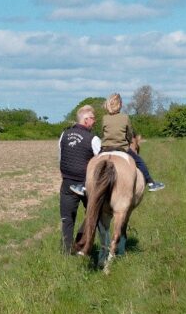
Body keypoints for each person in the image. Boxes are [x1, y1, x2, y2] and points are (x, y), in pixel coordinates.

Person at [70, 92, 164, 196]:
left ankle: (83, 186)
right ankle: (151, 183)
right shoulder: (125, 117)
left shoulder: (105, 118)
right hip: (122, 148)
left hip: (105, 148)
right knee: (140, 162)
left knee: (93, 164)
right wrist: (128, 140)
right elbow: (129, 133)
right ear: (120, 105)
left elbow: (103, 132)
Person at [59, 105, 101, 254]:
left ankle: (66, 252)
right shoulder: (93, 139)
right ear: (86, 119)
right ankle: (80, 242)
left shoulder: (64, 135)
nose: (94, 121)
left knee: (67, 219)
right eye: (93, 118)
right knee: (95, 212)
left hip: (67, 183)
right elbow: (101, 162)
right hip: (86, 184)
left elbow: (60, 158)